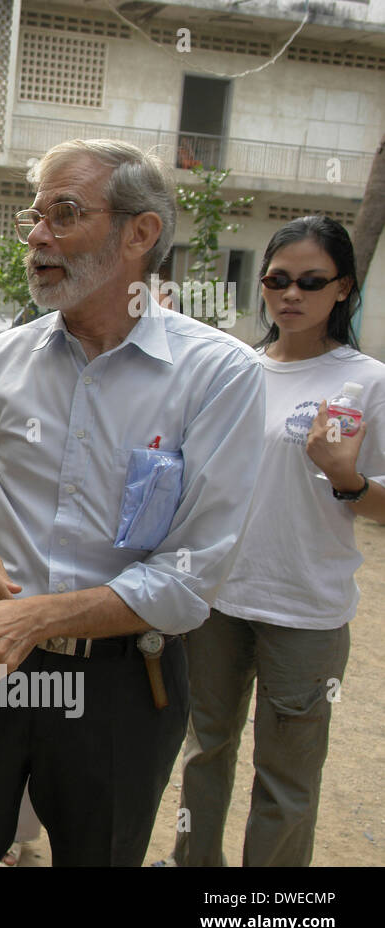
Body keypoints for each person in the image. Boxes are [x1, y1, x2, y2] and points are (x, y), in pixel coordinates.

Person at [0, 138, 266, 867]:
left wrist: (37, 617)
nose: (39, 235)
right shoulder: (0, 361)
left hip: (122, 683)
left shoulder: (218, 376)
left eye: (64, 213)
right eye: (34, 217)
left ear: (141, 234)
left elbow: (191, 574)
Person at [172, 216, 385, 867]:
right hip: (218, 598)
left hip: (306, 610)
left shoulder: (367, 381)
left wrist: (346, 477)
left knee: (286, 778)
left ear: (343, 287)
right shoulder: (233, 370)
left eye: (311, 282)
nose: (291, 294)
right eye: (277, 280)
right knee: (205, 750)